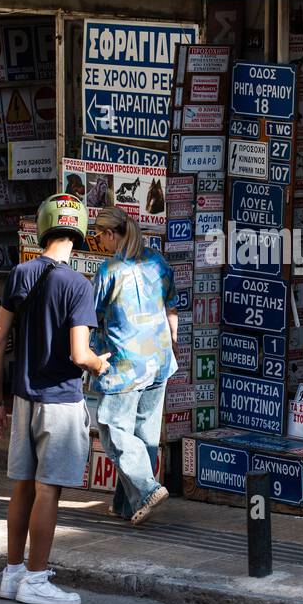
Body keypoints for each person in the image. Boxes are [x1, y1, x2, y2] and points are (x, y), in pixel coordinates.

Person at [0, 195, 109, 604]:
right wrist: (98, 363)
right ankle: (36, 580)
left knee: (22, 485)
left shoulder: (21, 272)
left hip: (22, 398)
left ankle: (13, 572)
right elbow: (79, 353)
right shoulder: (78, 285)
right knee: (48, 489)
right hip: (60, 401)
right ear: (80, 231)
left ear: (43, 228)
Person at [90, 206, 178, 525]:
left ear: (111, 234)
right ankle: (127, 504)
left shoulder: (109, 270)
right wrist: (170, 343)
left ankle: (144, 489)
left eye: (99, 237)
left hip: (125, 362)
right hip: (159, 358)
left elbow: (87, 316)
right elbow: (172, 308)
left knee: (112, 427)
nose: (99, 243)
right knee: (144, 433)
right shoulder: (158, 261)